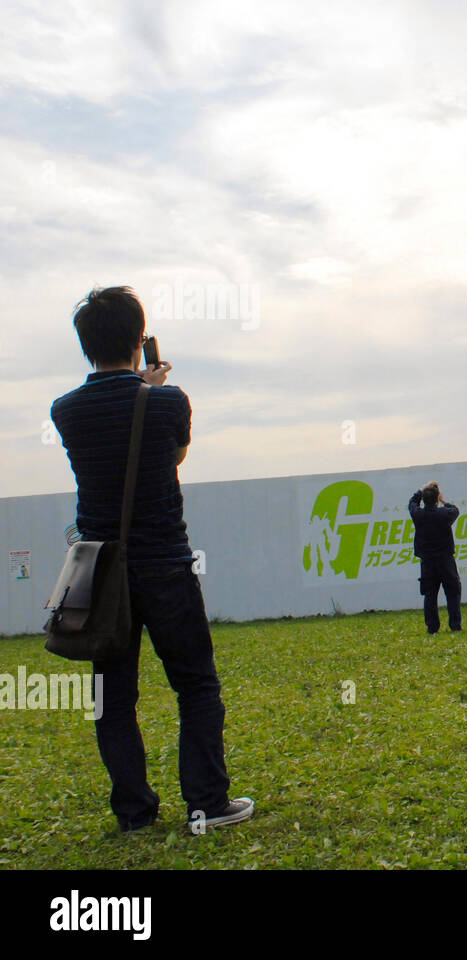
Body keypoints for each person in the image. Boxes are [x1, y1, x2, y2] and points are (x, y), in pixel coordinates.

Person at [50, 287, 253, 833]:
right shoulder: (168, 400)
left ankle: (134, 813)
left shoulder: (65, 411)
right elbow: (175, 456)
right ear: (140, 340)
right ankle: (207, 804)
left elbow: (110, 443)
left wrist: (137, 388)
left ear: (85, 344)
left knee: (113, 696)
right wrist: (151, 388)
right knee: (195, 685)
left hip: (101, 572)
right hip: (165, 561)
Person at [409, 482, 462, 633]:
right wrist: (444, 501)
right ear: (437, 499)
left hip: (427, 562)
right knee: (453, 592)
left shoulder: (418, 515)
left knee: (430, 595)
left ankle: (432, 627)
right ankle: (455, 625)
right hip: (445, 560)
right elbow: (455, 510)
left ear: (423, 500)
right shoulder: (444, 514)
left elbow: (411, 503)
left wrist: (421, 489)